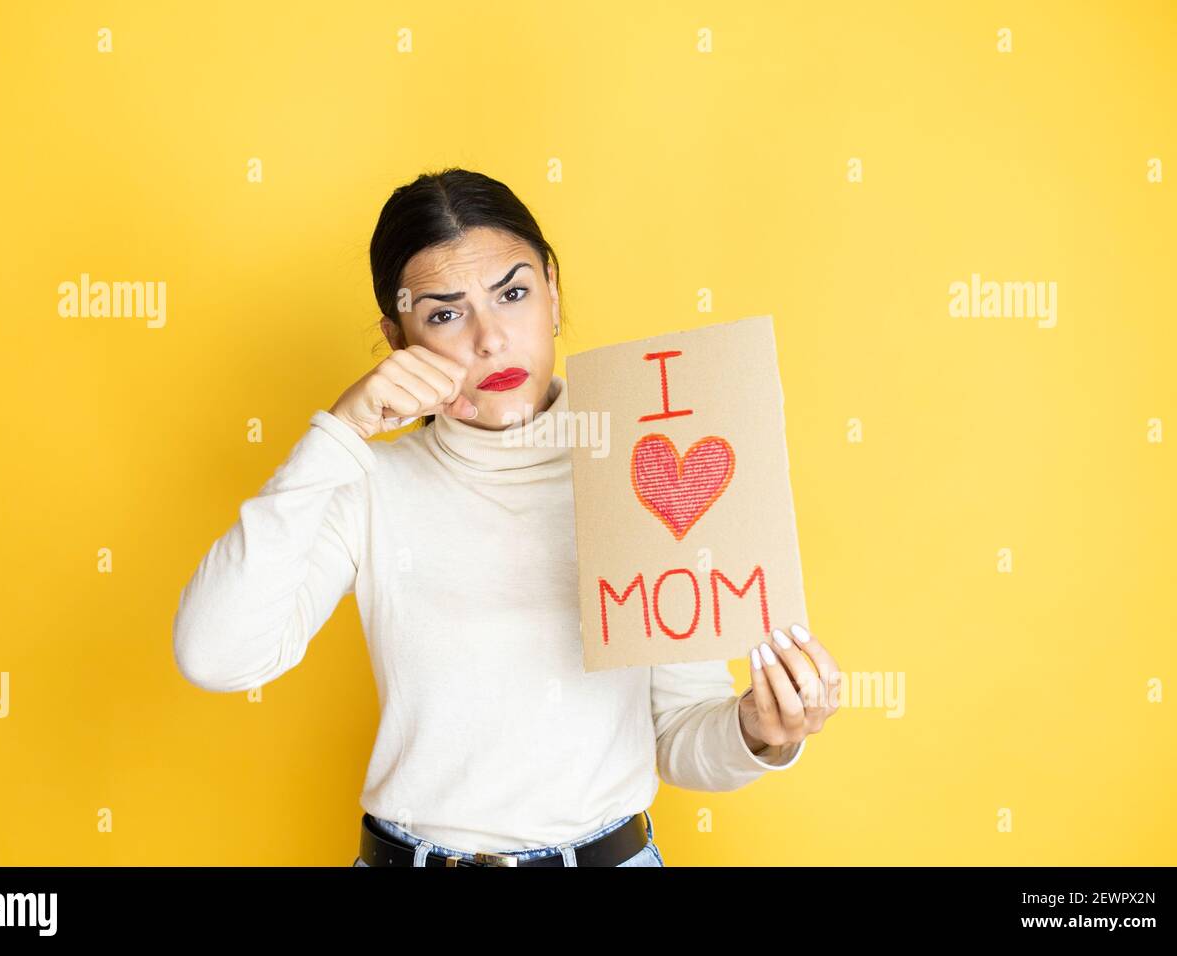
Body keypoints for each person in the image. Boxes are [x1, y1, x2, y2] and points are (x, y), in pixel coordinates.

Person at [172, 167, 842, 867]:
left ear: (552, 291)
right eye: (444, 313)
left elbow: (678, 735)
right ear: (397, 339)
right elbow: (215, 655)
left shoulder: (644, 467)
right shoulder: (369, 484)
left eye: (513, 294)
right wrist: (338, 432)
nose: (489, 339)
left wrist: (761, 732)